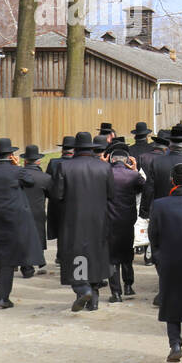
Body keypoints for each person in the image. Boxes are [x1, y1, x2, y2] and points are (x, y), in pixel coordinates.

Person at [148, 162, 182, 363]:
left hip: (169, 262)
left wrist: (158, 258)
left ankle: (175, 344)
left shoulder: (160, 204)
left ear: (172, 181)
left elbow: (153, 236)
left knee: (171, 303)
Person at [0, 138, 45, 308]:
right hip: (14, 217)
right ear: (12, 155)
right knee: (8, 257)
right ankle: (3, 297)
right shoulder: (18, 171)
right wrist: (16, 167)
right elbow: (30, 182)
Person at [53, 132, 114, 312]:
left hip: (74, 219)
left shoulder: (64, 167)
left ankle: (82, 289)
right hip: (99, 220)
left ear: (75, 149)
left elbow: (57, 194)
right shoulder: (104, 167)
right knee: (96, 256)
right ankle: (93, 299)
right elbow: (112, 194)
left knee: (78, 256)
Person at [105, 144, 144, 302]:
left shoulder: (105, 174)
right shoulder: (132, 175)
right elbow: (143, 186)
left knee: (112, 258)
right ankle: (129, 285)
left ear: (111, 159)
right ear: (127, 160)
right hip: (127, 219)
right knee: (127, 254)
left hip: (109, 220)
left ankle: (116, 293)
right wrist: (134, 170)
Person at [18, 145, 50, 277]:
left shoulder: (17, 176)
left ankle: (26, 266)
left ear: (25, 161)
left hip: (20, 210)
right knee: (37, 236)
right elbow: (51, 194)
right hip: (38, 211)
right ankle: (37, 261)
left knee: (22, 236)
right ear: (38, 161)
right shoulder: (45, 177)